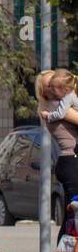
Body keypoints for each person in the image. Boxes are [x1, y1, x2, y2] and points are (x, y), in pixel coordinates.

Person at [37, 68, 78, 205]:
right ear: (44, 90)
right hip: (72, 160)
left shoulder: (54, 105)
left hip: (68, 161)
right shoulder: (57, 106)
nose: (55, 88)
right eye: (50, 85)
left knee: (71, 214)